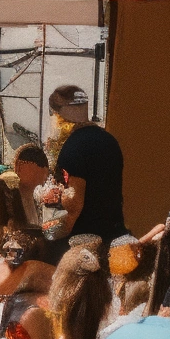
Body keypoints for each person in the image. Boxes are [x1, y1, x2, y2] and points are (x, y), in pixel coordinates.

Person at [41, 87, 125, 246]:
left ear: (59, 117)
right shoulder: (109, 140)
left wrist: (53, 231)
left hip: (86, 238)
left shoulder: (73, 147)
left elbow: (74, 201)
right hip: (113, 231)